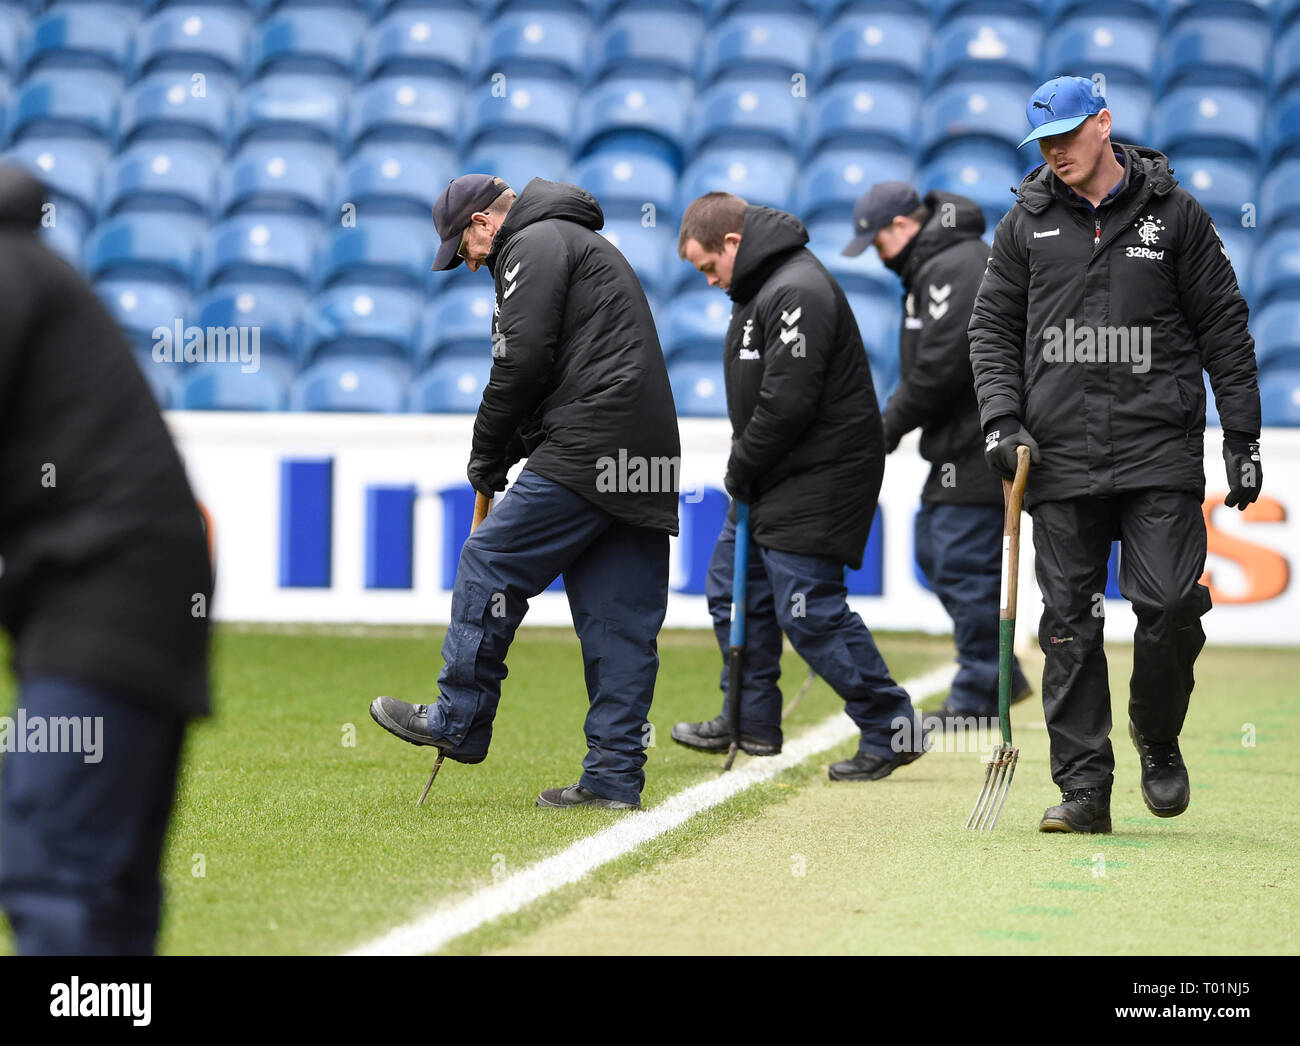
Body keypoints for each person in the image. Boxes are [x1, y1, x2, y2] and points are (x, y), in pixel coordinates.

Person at [968, 76, 1262, 833]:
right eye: (1045, 143)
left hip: (1157, 449)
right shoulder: (1022, 225)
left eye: (1068, 134)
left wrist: (1243, 435)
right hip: (1058, 456)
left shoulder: (1177, 216)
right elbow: (992, 332)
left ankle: (1156, 737)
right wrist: (1002, 420)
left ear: (1104, 124)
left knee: (1166, 605)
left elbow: (1224, 326)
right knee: (1068, 622)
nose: (1057, 152)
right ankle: (1084, 792)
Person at [369, 175, 681, 810]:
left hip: (593, 438)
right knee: (617, 623)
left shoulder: (531, 244)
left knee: (489, 561)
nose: (470, 263)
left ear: (484, 223)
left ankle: (457, 720)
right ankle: (613, 779)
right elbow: (557, 370)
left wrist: (485, 453)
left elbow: (520, 361)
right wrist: (509, 451)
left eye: (465, 249)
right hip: (644, 455)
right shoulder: (577, 242)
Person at [0, 164, 213, 953]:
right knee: (108, 889)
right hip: (134, 587)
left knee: (55, 871)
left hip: (106, 590)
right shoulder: (28, 269)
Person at [671, 191, 927, 780]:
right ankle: (749, 720)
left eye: (709, 267)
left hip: (818, 476)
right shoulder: (765, 287)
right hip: (771, 472)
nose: (709, 281)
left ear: (732, 243)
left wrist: (742, 466)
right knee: (733, 592)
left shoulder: (796, 290)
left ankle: (893, 727)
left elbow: (788, 402)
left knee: (808, 612)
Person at [844, 181, 1030, 729]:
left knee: (959, 558)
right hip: (959, 441)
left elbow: (943, 366)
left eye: (878, 243)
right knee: (936, 549)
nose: (878, 256)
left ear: (902, 227)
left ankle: (980, 689)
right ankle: (998, 675)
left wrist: (885, 428)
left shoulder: (955, 264)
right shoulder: (938, 265)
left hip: (983, 438)